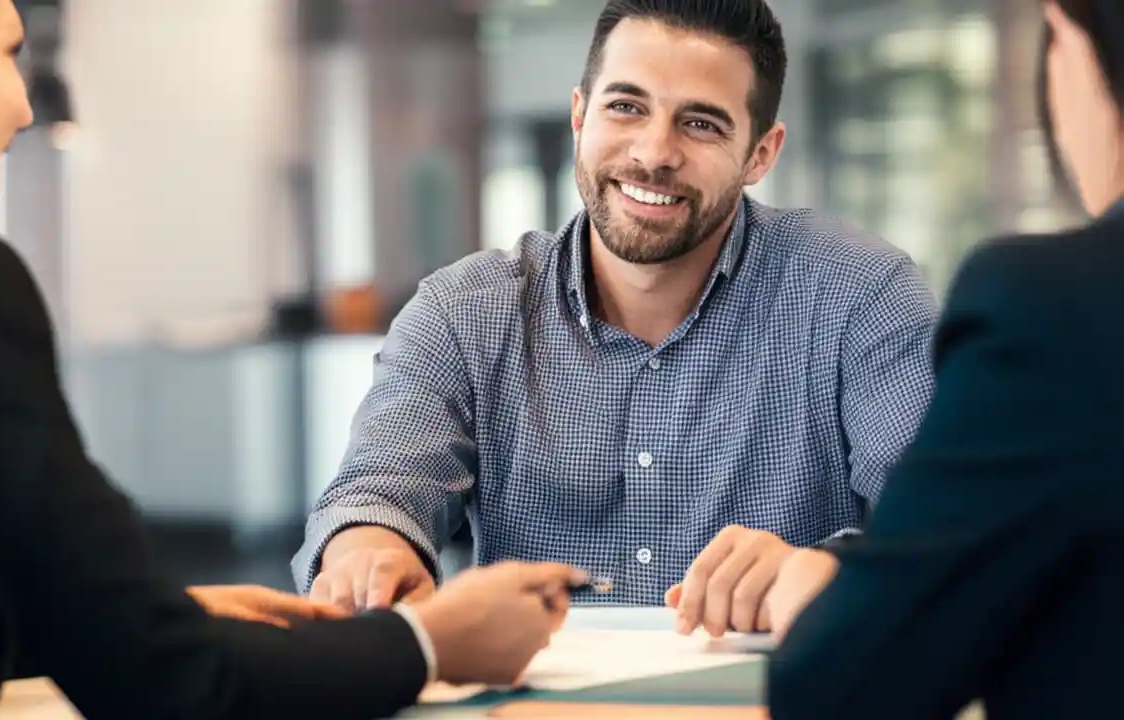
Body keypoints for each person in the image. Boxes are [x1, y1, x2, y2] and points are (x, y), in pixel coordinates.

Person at [0, 2, 585, 718]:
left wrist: (136, 616)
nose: (23, 108)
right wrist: (430, 643)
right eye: (9, 53)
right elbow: (171, 686)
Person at [294, 0, 938, 638]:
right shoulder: (463, 312)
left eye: (702, 124)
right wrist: (369, 550)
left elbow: (944, 520)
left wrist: (825, 571)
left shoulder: (859, 294)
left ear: (760, 154)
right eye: (625, 107)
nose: (654, 153)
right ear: (580, 115)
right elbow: (378, 489)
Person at [767, 0, 1124, 717]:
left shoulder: (1055, 308)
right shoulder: (481, 303)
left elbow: (847, 688)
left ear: (1072, 41)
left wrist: (828, 582)